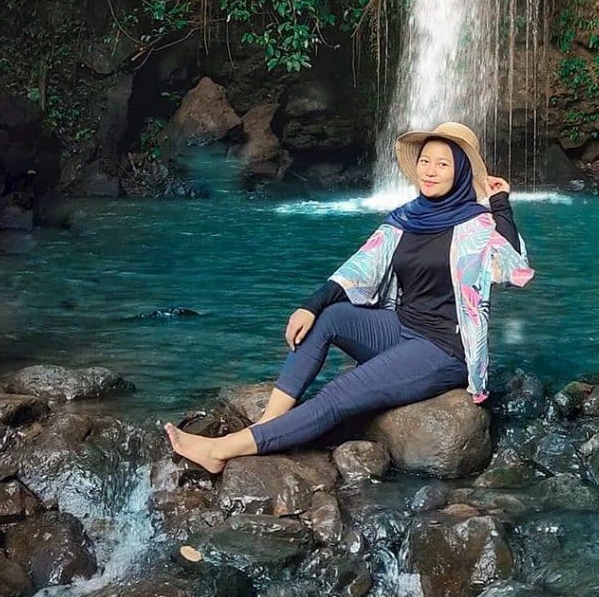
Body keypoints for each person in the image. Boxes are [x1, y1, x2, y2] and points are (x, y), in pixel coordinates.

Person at [163, 121, 535, 474]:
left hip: (442, 348)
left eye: (442, 164)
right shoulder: (406, 219)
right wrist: (311, 305)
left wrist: (500, 203)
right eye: (425, 161)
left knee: (340, 391)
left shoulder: (476, 225)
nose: (430, 171)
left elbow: (514, 269)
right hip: (401, 327)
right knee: (328, 318)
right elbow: (359, 267)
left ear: (461, 173)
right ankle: (269, 424)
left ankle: (220, 451)